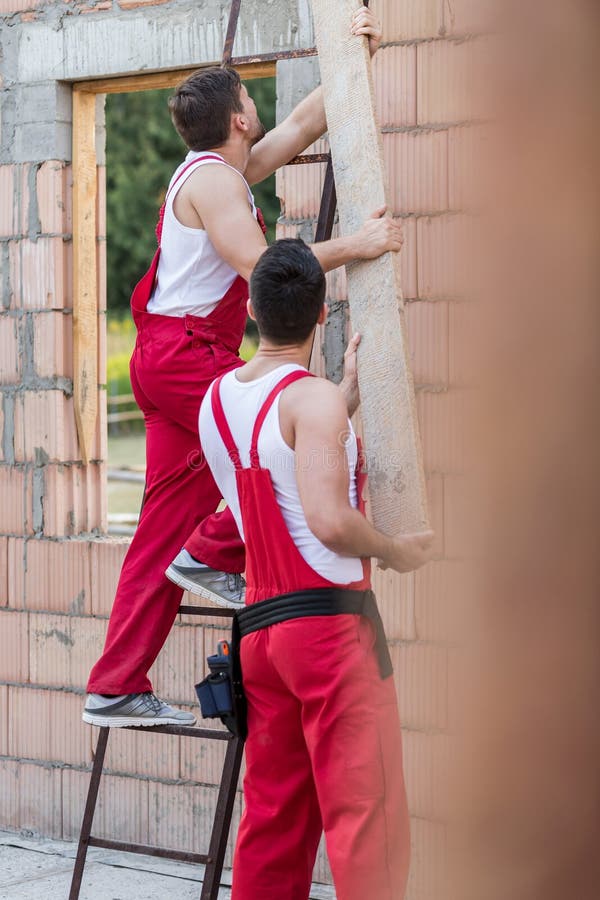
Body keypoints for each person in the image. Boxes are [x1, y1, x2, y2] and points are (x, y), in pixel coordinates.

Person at [82, 7, 400, 728]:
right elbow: (266, 269)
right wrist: (360, 245)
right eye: (251, 100)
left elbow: (302, 126)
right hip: (185, 354)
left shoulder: (225, 172)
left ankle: (115, 685)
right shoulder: (215, 185)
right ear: (237, 119)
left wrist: (354, 62)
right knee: (268, 440)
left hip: (171, 355)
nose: (260, 109)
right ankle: (213, 553)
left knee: (161, 532)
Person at [198, 238, 434, 899]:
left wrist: (342, 402)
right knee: (366, 819)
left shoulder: (216, 401)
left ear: (252, 309)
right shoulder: (313, 401)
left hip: (259, 636)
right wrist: (394, 550)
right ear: (322, 313)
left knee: (273, 820)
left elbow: (276, 458)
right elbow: (328, 521)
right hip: (328, 636)